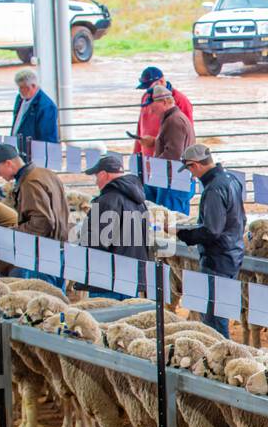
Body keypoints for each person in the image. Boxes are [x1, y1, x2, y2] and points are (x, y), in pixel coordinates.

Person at [176, 144, 244, 337]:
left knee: (214, 317)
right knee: (220, 311)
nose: (191, 174)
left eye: (189, 168)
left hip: (217, 259)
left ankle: (221, 353)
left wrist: (182, 233)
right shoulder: (231, 180)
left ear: (195, 165)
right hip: (233, 253)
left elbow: (212, 230)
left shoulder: (214, 189)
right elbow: (239, 219)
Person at [0, 142, 67, 287]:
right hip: (59, 246)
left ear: (8, 163)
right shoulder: (46, 173)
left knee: (43, 301)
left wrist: (11, 233)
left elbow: (43, 222)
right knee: (57, 301)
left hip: (42, 252)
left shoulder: (30, 182)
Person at [79, 153, 153, 299]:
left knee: (105, 319)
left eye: (96, 177)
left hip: (108, 279)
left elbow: (96, 243)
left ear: (103, 174)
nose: (96, 182)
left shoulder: (106, 201)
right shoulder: (139, 200)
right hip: (132, 276)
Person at [149, 84, 197, 215]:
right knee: (174, 223)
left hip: (174, 181)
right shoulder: (174, 118)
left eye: (153, 103)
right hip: (176, 180)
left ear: (164, 102)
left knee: (171, 224)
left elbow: (174, 154)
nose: (151, 107)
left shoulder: (174, 121)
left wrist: (152, 163)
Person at [134, 66, 193, 167]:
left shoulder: (180, 100)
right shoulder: (146, 97)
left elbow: (187, 135)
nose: (148, 90)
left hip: (165, 162)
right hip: (148, 158)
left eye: (150, 87)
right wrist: (136, 154)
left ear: (161, 81)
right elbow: (140, 126)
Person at [10, 69, 60, 157]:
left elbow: (47, 136)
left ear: (32, 86)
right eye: (19, 87)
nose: (20, 90)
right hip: (21, 149)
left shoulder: (46, 106)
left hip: (34, 153)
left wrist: (44, 157)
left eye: (22, 87)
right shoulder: (20, 98)